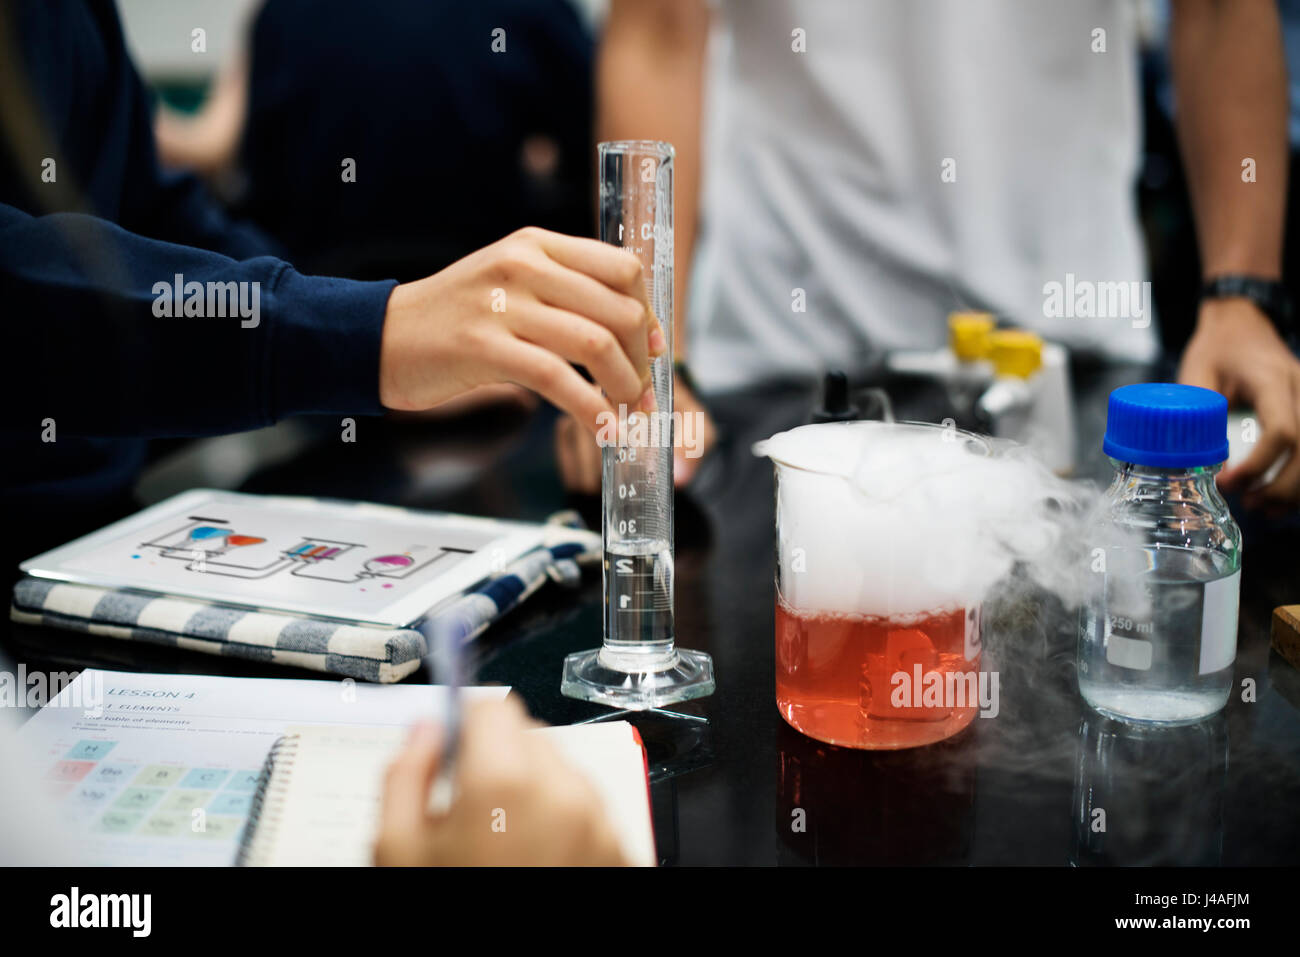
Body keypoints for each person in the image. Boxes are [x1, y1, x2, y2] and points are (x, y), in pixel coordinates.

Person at [555, 0, 1300, 511]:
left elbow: (1221, 8)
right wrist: (649, 353)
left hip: (1071, 367)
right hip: (774, 363)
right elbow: (659, 27)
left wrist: (1241, 297)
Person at [0, 0, 662, 572]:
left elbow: (154, 204)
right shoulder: (530, 14)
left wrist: (376, 332)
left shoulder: (273, 15)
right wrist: (370, 334)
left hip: (120, 514)